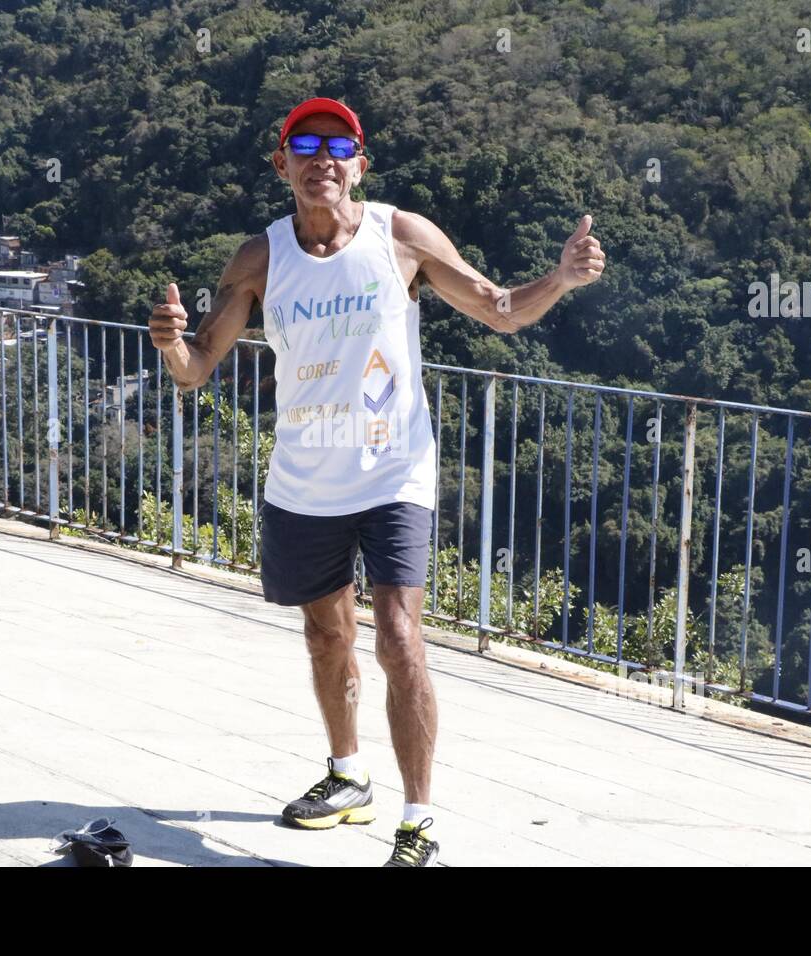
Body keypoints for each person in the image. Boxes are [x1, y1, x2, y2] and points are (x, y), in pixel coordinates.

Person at [148, 97, 605, 866]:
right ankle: (348, 775)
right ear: (282, 164)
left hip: (396, 472)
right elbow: (197, 369)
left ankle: (419, 821)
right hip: (303, 481)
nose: (323, 157)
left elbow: (496, 309)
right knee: (326, 636)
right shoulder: (257, 259)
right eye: (306, 144)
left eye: (340, 145)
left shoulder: (402, 237)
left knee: (398, 637)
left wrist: (560, 278)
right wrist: (168, 344)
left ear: (360, 163)